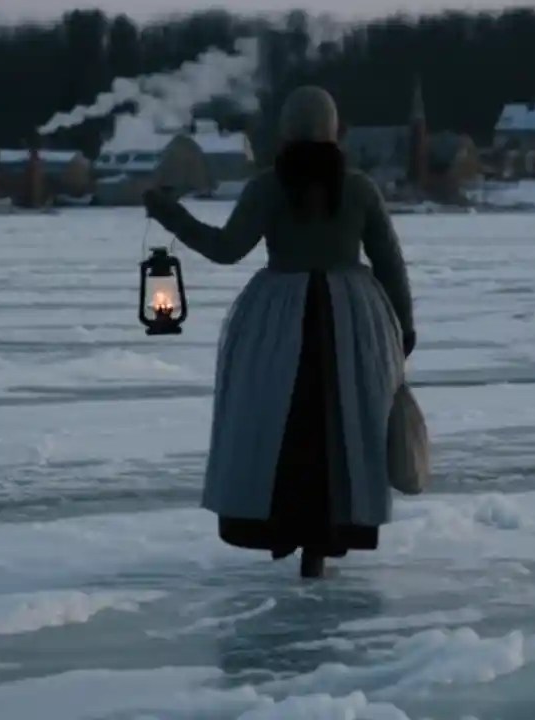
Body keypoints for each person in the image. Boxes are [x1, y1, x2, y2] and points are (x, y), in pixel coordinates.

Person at [142, 86, 416, 579]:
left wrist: (170, 215)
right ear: (335, 132)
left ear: (285, 133)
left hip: (279, 322)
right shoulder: (357, 188)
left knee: (283, 428)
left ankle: (285, 528)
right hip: (353, 324)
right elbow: (389, 262)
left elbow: (226, 249)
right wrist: (404, 324)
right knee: (343, 428)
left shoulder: (269, 187)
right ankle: (326, 538)